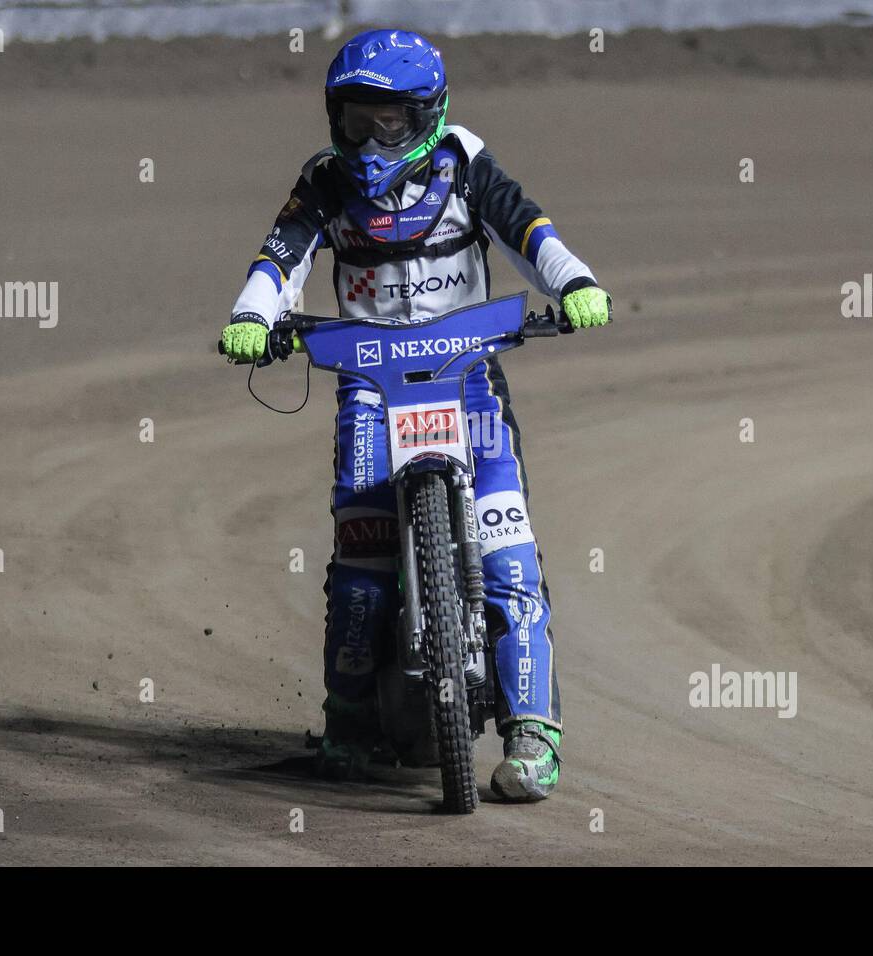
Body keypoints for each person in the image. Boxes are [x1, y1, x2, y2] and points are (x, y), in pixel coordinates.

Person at [220, 29, 610, 801]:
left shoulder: (466, 162)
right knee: (362, 568)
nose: (370, 138)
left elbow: (528, 229)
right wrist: (253, 315)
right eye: (357, 119)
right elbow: (282, 254)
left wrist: (576, 281)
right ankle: (346, 721)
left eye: (389, 121)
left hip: (471, 380)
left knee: (509, 557)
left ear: (428, 114)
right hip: (368, 384)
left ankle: (532, 735)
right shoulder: (326, 181)